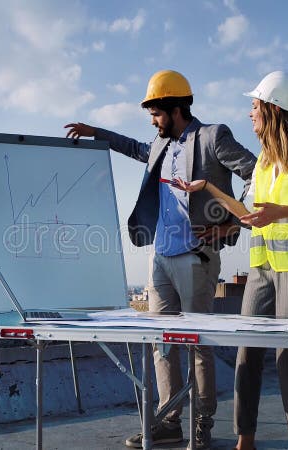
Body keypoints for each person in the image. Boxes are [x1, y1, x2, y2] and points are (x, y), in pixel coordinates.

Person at [65, 69, 257, 449]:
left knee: (197, 343)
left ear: (174, 108)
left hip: (196, 257)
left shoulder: (212, 136)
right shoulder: (160, 144)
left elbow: (256, 173)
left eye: (155, 113)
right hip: (161, 257)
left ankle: (203, 424)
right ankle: (170, 421)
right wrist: (96, 132)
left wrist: (232, 225)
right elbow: (135, 147)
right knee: (162, 343)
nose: (152, 121)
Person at [174, 70, 288, 450]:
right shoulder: (264, 161)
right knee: (247, 350)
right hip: (262, 270)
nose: (250, 113)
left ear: (273, 107)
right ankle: (244, 441)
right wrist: (209, 188)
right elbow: (250, 213)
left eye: (254, 106)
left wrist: (280, 212)